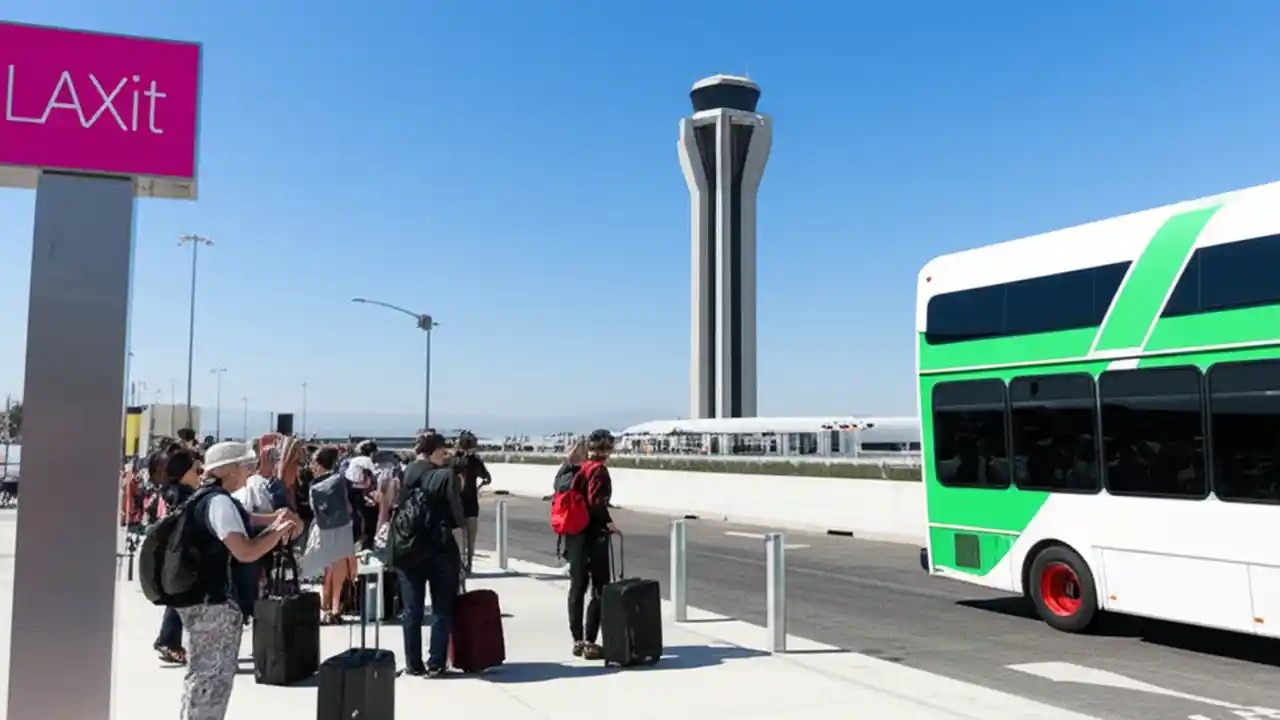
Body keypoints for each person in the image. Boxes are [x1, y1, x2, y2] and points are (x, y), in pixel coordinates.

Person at [174, 441, 299, 720]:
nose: (248, 471)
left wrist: (272, 521)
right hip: (213, 605)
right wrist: (278, 532)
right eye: (244, 465)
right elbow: (245, 551)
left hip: (201, 601)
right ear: (227, 469)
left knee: (202, 680)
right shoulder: (219, 503)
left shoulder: (206, 498)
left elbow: (248, 519)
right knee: (212, 682)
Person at [395, 432, 466, 677]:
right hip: (441, 548)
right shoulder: (447, 477)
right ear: (435, 450)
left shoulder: (407, 473)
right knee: (441, 608)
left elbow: (399, 506)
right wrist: (463, 556)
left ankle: (413, 663)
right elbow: (458, 520)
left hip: (410, 548)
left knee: (412, 610)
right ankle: (436, 662)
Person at [565, 430, 621, 660]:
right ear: (608, 449)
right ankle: (590, 639)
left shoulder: (581, 468)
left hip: (574, 535)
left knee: (577, 587)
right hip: (593, 535)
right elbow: (596, 502)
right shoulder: (599, 471)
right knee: (599, 589)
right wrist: (610, 523)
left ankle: (576, 639)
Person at [153, 447, 203, 665]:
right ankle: (169, 641)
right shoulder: (184, 495)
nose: (200, 473)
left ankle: (168, 640)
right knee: (180, 598)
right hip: (179, 553)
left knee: (178, 598)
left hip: (172, 553)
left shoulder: (172, 491)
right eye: (196, 469)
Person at [452, 430, 491, 574]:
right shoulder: (474, 460)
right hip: (471, 500)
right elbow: (487, 478)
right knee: (470, 538)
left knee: (458, 536)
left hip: (457, 500)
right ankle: (469, 566)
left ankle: (461, 565)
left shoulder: (454, 460)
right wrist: (478, 487)